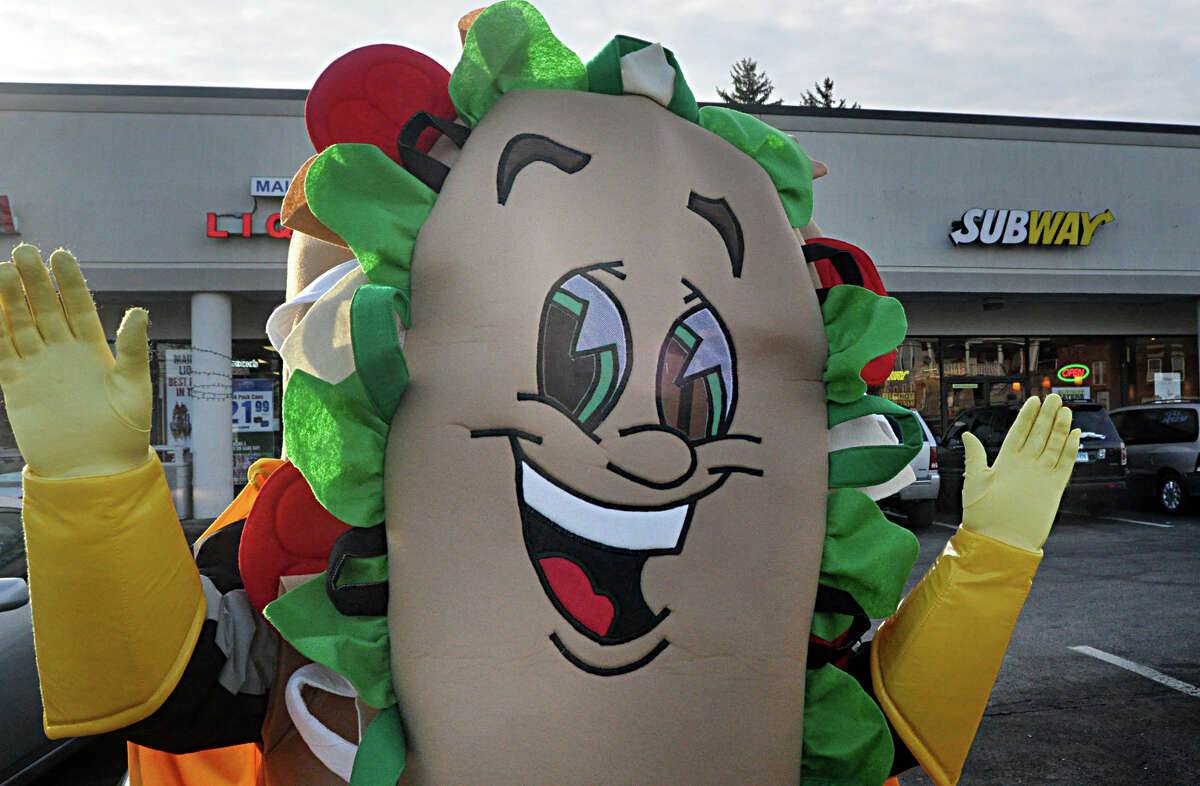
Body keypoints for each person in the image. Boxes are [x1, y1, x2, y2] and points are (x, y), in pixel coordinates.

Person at [3, 3, 1080, 784]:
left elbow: (874, 734)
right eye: (581, 343)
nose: (641, 433)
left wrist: (992, 561)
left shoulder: (750, 541)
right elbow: (172, 692)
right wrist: (93, 482)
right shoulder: (308, 543)